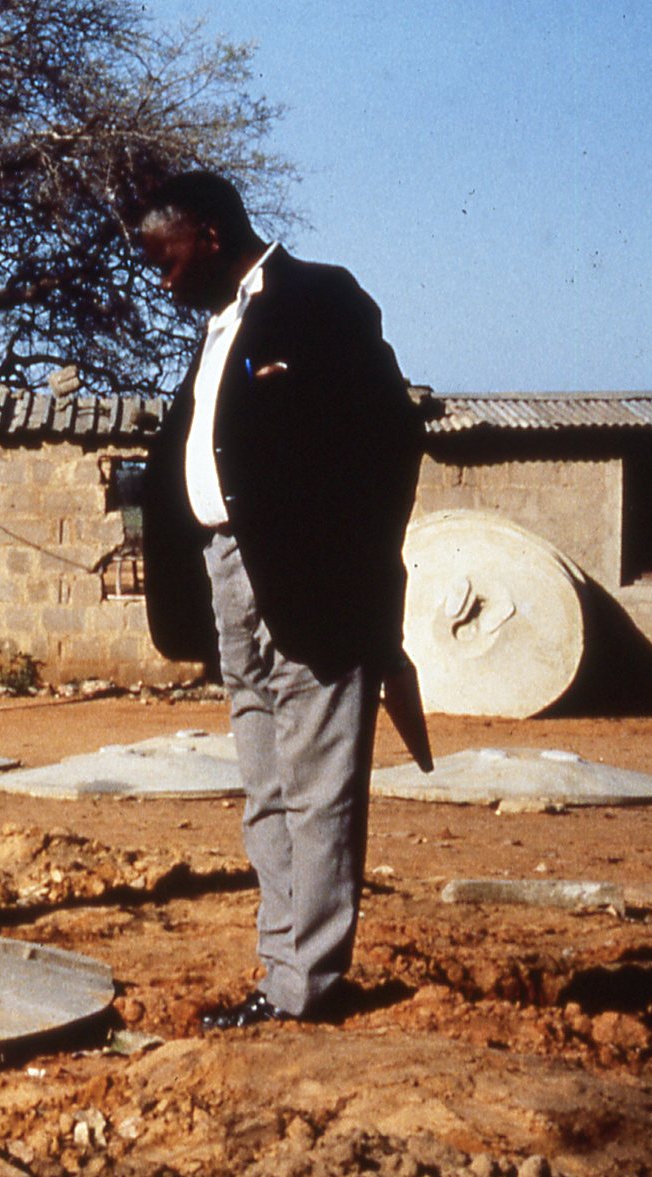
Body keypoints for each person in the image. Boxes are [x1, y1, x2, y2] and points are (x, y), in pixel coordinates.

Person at [134, 171, 424, 1027]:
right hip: (230, 577)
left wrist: (357, 569)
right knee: (266, 786)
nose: (162, 279)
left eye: (166, 257)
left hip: (313, 584)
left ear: (209, 235)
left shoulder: (320, 301)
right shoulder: (221, 328)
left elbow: (388, 439)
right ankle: (280, 971)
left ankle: (308, 988)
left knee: (318, 784)